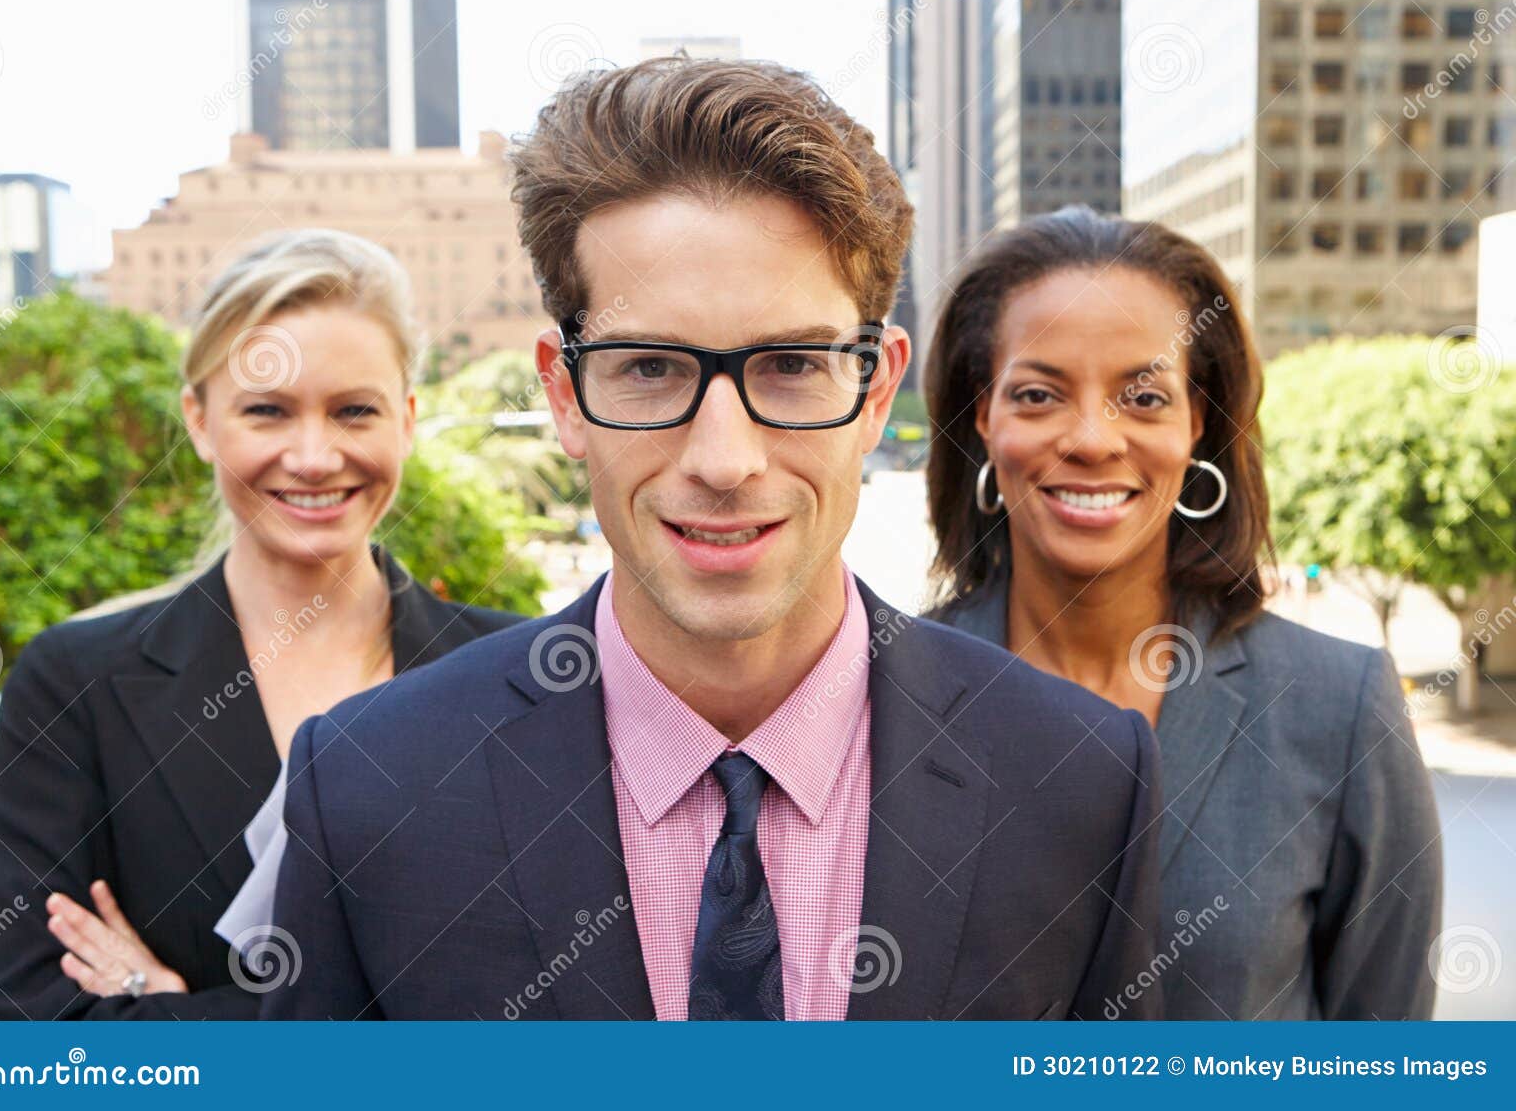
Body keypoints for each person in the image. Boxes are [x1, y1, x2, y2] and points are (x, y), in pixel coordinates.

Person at [262, 59, 1163, 1022]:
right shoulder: (369, 786)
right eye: (649, 366)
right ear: (565, 395)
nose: (725, 459)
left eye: (790, 364)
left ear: (878, 390)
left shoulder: (1083, 782)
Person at [0, 229, 522, 1019]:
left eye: (353, 410)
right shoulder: (74, 686)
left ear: (405, 419)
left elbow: (553, 1004)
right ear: (199, 421)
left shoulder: (513, 670)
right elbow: (38, 1031)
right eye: (267, 410)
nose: (312, 455)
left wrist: (167, 1006)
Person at [925, 205, 1442, 1019]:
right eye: (1037, 393)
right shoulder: (891, 694)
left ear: (1198, 423)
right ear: (982, 416)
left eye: (1143, 396)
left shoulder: (1340, 707)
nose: (1093, 438)